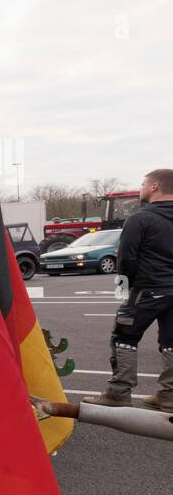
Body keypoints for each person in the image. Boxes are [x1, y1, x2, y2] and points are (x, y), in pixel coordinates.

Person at [84, 168, 173, 410]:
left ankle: (118, 392)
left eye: (144, 184)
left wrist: (124, 290)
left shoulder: (140, 218)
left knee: (124, 337)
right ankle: (168, 394)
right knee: (170, 341)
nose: (141, 188)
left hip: (148, 290)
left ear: (155, 186)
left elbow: (126, 259)